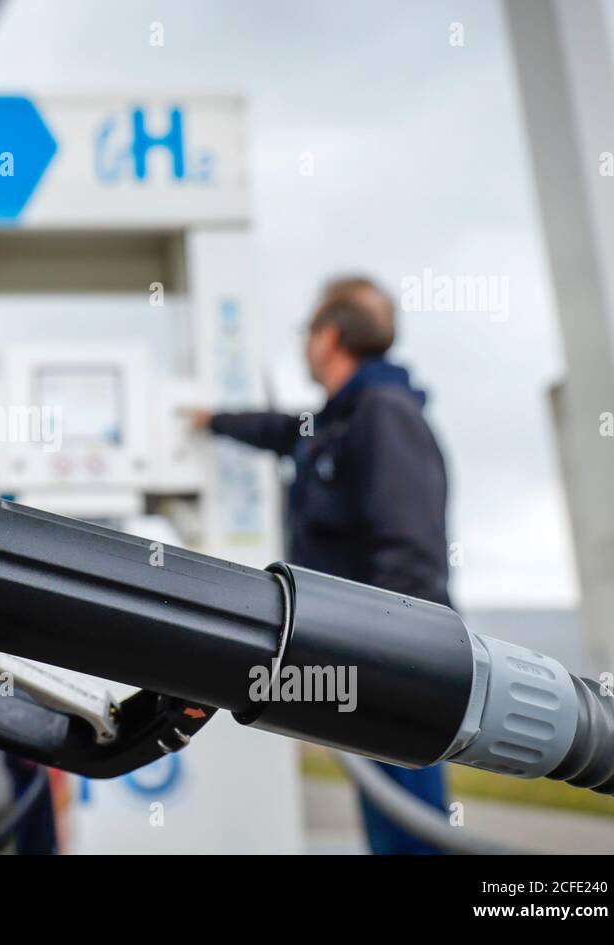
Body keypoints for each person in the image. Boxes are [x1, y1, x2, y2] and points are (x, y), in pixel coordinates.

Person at [189, 276, 451, 855]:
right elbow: (280, 430)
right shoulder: (337, 422)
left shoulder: (384, 415)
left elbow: (412, 558)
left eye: (308, 331)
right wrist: (209, 420)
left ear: (329, 337)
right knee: (389, 831)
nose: (305, 343)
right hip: (365, 665)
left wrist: (390, 664)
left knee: (411, 835)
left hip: (395, 670)